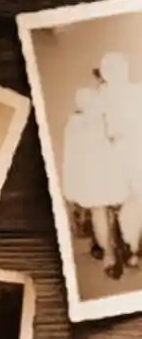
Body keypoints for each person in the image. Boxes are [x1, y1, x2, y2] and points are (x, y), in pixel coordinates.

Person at [62, 85, 130, 279]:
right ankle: (109, 254)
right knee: (100, 211)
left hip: (108, 172)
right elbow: (72, 157)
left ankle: (112, 249)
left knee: (110, 212)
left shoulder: (101, 118)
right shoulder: (78, 123)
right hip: (93, 176)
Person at [100, 53, 142, 267]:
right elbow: (109, 131)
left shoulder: (137, 91)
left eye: (123, 66)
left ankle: (135, 248)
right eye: (114, 69)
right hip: (121, 155)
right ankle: (132, 248)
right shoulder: (104, 97)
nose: (120, 71)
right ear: (107, 74)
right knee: (128, 205)